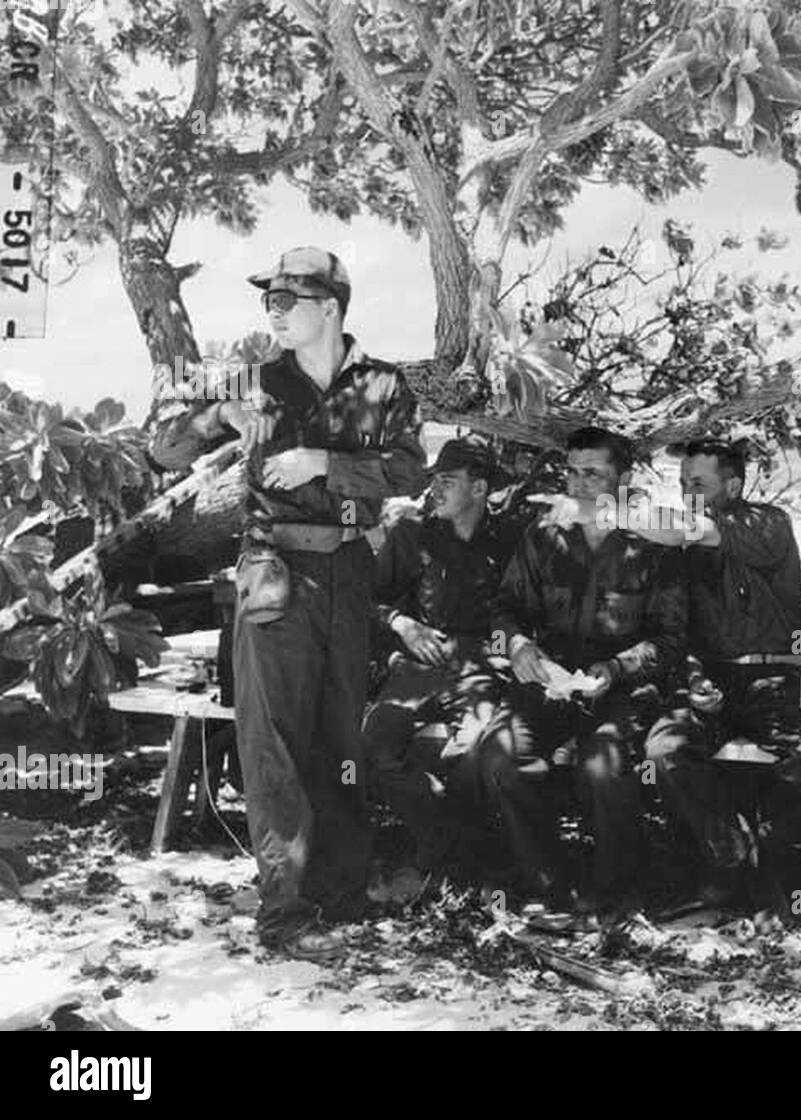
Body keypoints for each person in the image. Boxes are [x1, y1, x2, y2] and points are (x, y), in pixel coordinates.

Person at [150, 246, 425, 959]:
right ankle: (286, 912)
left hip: (350, 570)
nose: (271, 310)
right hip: (274, 568)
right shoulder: (251, 378)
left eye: (286, 299)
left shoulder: (384, 383)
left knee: (339, 736)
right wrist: (217, 416)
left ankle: (339, 889)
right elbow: (164, 451)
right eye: (267, 299)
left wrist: (324, 463)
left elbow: (405, 469)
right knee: (271, 741)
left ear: (330, 307)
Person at [478, 426, 687, 915]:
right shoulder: (545, 534)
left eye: (592, 473)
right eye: (571, 472)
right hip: (550, 681)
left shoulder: (655, 541)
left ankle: (616, 890)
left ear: (626, 476)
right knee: (500, 758)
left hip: (623, 687)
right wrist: (519, 646)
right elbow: (504, 608)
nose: (578, 484)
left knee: (603, 768)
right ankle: (547, 881)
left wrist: (616, 669)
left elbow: (671, 641)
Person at [637, 440, 801, 912]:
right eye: (683, 484)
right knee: (662, 752)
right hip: (714, 685)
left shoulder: (767, 525)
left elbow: (702, 529)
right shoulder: (679, 553)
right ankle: (733, 854)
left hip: (776, 683)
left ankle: (775, 868)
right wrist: (694, 681)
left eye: (698, 484)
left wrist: (606, 511)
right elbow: (674, 632)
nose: (688, 494)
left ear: (733, 485)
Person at [364, 438, 516, 876]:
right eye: (434, 481)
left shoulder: (510, 539)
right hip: (419, 665)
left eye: (448, 481)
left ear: (480, 489)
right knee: (372, 750)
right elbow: (369, 601)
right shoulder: (412, 535)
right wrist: (402, 624)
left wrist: (503, 654)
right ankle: (443, 838)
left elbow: (527, 610)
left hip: (482, 669)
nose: (435, 491)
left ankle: (459, 858)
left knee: (475, 754)